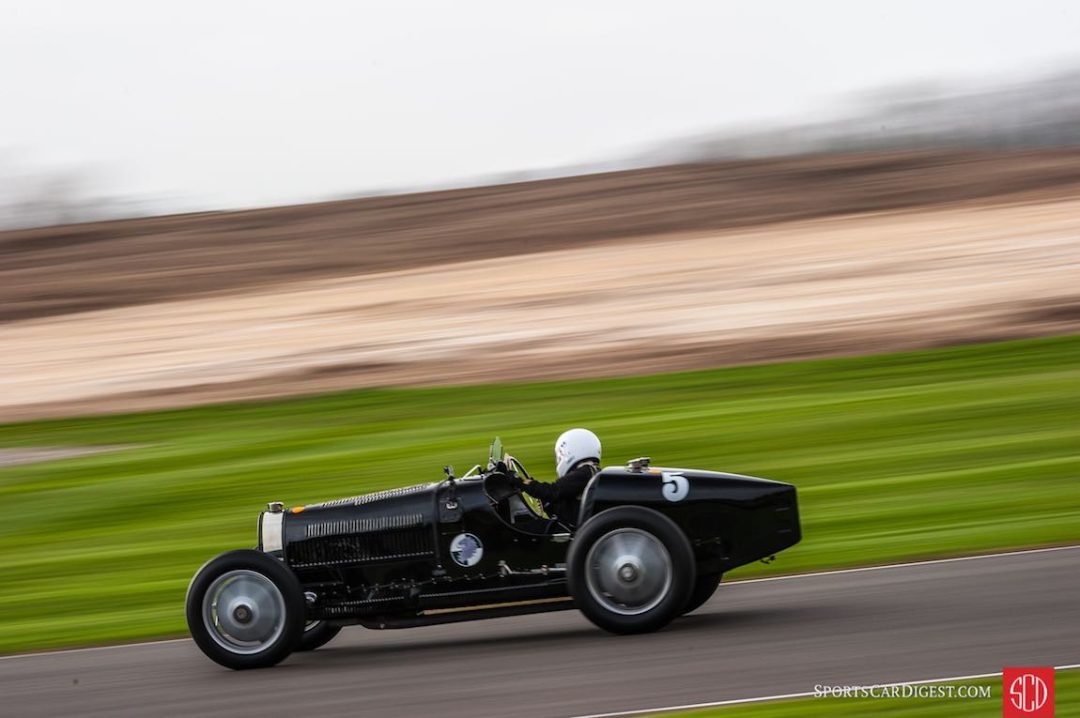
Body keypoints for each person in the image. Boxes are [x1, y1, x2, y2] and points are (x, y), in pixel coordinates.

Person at [519, 428, 601, 527]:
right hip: (579, 528)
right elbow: (559, 503)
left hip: (578, 530)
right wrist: (541, 497)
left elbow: (553, 492)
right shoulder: (592, 472)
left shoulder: (585, 472)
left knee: (522, 527)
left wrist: (520, 482)